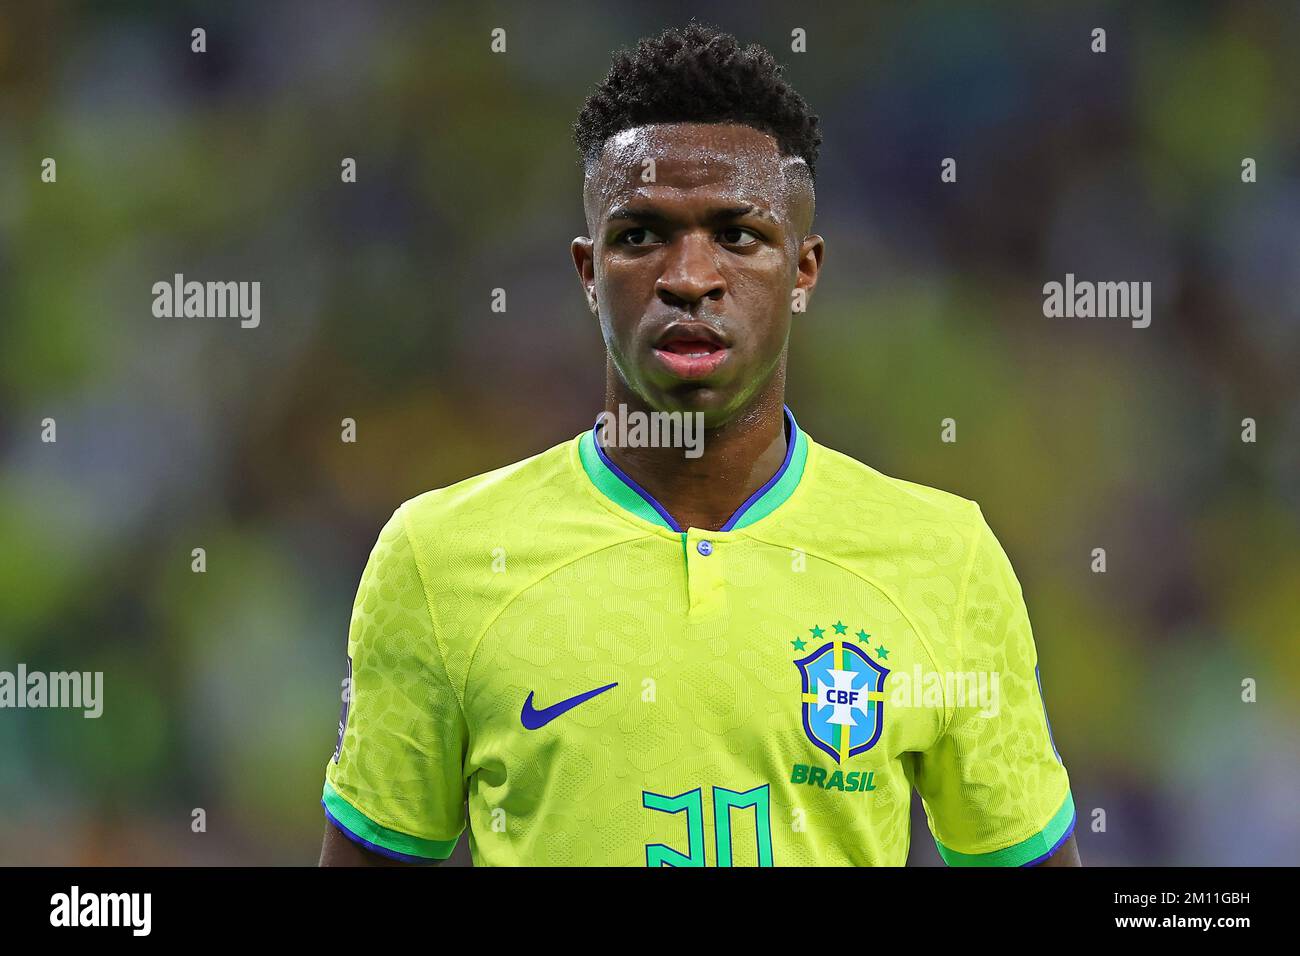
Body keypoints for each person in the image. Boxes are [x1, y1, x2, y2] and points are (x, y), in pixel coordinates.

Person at [319, 22, 1078, 867]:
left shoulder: (947, 560)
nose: (688, 277)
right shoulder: (440, 559)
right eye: (640, 235)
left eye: (737, 235)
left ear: (804, 270)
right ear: (588, 271)